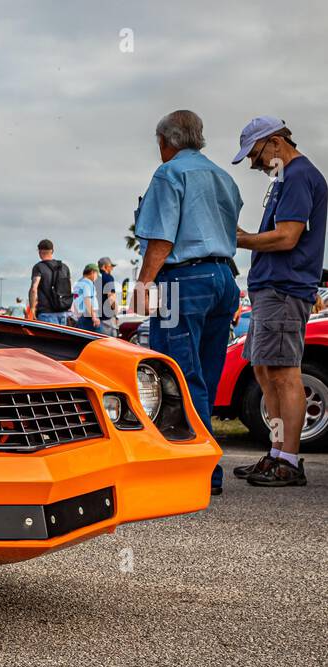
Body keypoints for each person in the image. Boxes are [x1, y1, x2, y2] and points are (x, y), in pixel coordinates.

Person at [132, 110, 241, 495]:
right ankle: (205, 467)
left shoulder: (169, 173)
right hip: (224, 278)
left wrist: (144, 284)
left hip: (184, 280)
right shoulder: (223, 177)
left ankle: (191, 471)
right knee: (205, 378)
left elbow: (161, 238)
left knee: (176, 373)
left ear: (167, 141)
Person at [232, 118, 327, 488]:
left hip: (284, 287)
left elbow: (287, 237)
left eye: (255, 155)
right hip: (272, 287)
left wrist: (240, 239)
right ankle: (276, 454)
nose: (255, 164)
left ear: (274, 142)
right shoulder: (285, 177)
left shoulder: (299, 175)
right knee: (264, 370)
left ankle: (288, 459)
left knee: (285, 373)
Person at [28, 239, 73, 324]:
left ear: (39, 252)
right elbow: (69, 288)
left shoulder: (38, 267)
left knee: (48, 337)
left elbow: (34, 289)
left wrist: (32, 308)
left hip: (46, 313)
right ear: (52, 251)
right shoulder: (64, 267)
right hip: (63, 312)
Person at [71, 264, 102, 332]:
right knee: (100, 339)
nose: (97, 277)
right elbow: (87, 300)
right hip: (89, 316)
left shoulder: (78, 283)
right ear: (92, 272)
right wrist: (94, 317)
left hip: (80, 316)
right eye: (97, 274)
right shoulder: (88, 283)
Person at [97, 257, 118, 331]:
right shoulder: (109, 278)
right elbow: (111, 297)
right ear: (104, 266)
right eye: (110, 266)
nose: (112, 269)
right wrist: (115, 315)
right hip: (106, 318)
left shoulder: (95, 278)